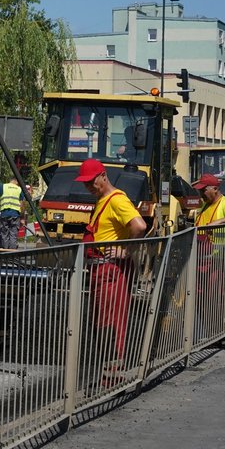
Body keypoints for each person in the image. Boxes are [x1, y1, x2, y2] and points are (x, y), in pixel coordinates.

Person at [75, 158, 147, 385]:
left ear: (103, 176)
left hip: (111, 271)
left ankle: (112, 377)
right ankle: (108, 375)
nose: (87, 186)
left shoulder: (117, 200)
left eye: (91, 181)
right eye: (85, 183)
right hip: (102, 270)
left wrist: (126, 250)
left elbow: (140, 225)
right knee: (103, 322)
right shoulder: (103, 200)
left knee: (111, 323)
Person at [193, 172, 225, 330]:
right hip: (202, 258)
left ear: (214, 188)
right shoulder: (205, 205)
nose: (201, 193)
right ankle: (211, 329)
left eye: (204, 189)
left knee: (215, 297)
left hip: (219, 259)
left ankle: (220, 330)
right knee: (199, 296)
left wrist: (218, 222)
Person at [0, 177, 27, 249]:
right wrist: (22, 218)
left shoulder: (3, 186)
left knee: (5, 235)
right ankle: (12, 255)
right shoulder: (19, 189)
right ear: (16, 181)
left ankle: (5, 253)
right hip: (15, 215)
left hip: (4, 215)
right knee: (13, 235)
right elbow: (22, 205)